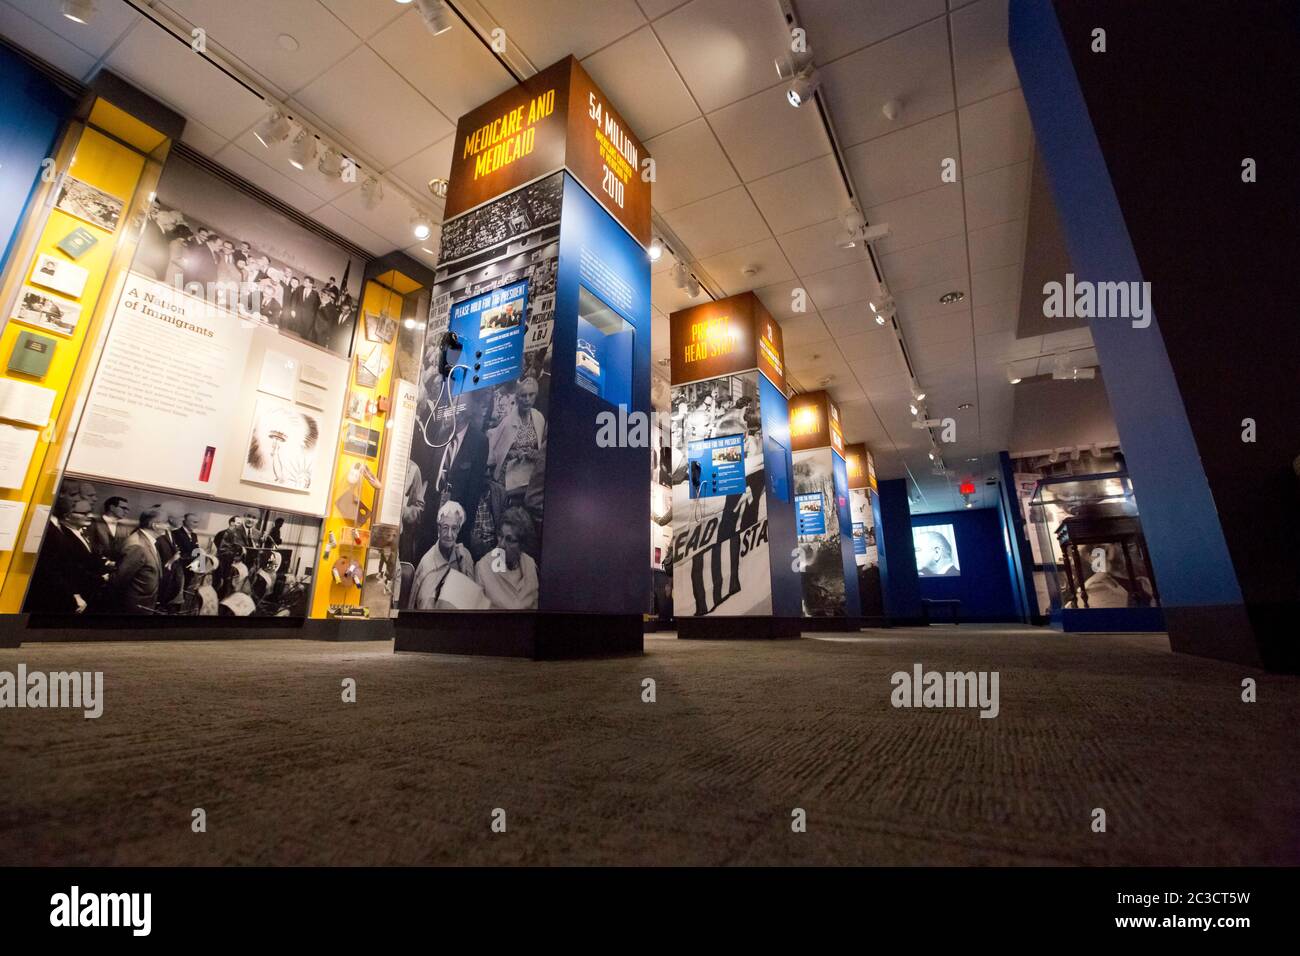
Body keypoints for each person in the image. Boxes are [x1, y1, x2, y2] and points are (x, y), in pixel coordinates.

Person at [25, 480, 106, 614]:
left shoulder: (56, 523)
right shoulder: (41, 521)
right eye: (73, 494)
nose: (77, 500)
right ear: (58, 495)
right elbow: (46, 567)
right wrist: (72, 593)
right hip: (45, 599)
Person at [486, 376, 545, 508]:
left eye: (531, 395)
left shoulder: (539, 418)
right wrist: (511, 453)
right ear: (517, 398)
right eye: (523, 395)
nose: (527, 399)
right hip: (509, 479)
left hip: (530, 478)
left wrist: (535, 454)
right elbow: (495, 453)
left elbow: (541, 449)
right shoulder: (507, 422)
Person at [409, 501, 477, 609]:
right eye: (445, 527)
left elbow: (472, 605)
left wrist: (463, 569)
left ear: (459, 529)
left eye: (454, 528)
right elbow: (416, 607)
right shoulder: (427, 563)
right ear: (439, 528)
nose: (449, 534)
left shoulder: (465, 556)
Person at [475, 507, 538, 609]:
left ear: (522, 544)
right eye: (500, 536)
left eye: (510, 539)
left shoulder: (530, 565)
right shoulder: (483, 568)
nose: (502, 544)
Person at [112, 507, 167, 613]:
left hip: (145, 604)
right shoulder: (137, 545)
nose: (168, 526)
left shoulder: (146, 540)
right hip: (135, 608)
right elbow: (119, 580)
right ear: (155, 525)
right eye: (166, 522)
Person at [90, 495, 131, 564]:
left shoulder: (125, 529)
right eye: (123, 508)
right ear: (112, 507)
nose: (126, 512)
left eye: (127, 509)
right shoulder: (93, 523)